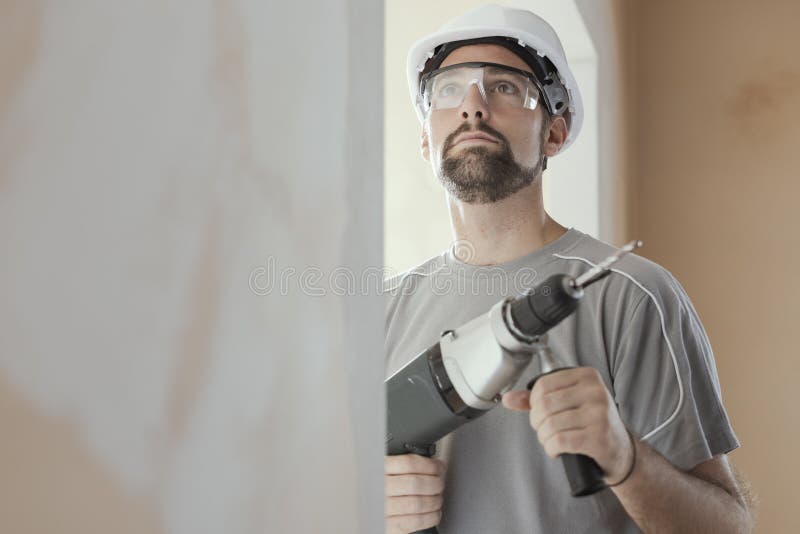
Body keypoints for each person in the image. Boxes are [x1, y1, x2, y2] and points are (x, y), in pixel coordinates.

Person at [384, 5, 753, 534]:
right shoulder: (382, 310)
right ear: (425, 138)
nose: (473, 106)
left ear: (553, 134)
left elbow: (728, 527)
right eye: (448, 89)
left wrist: (623, 459)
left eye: (506, 88)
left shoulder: (630, 294)